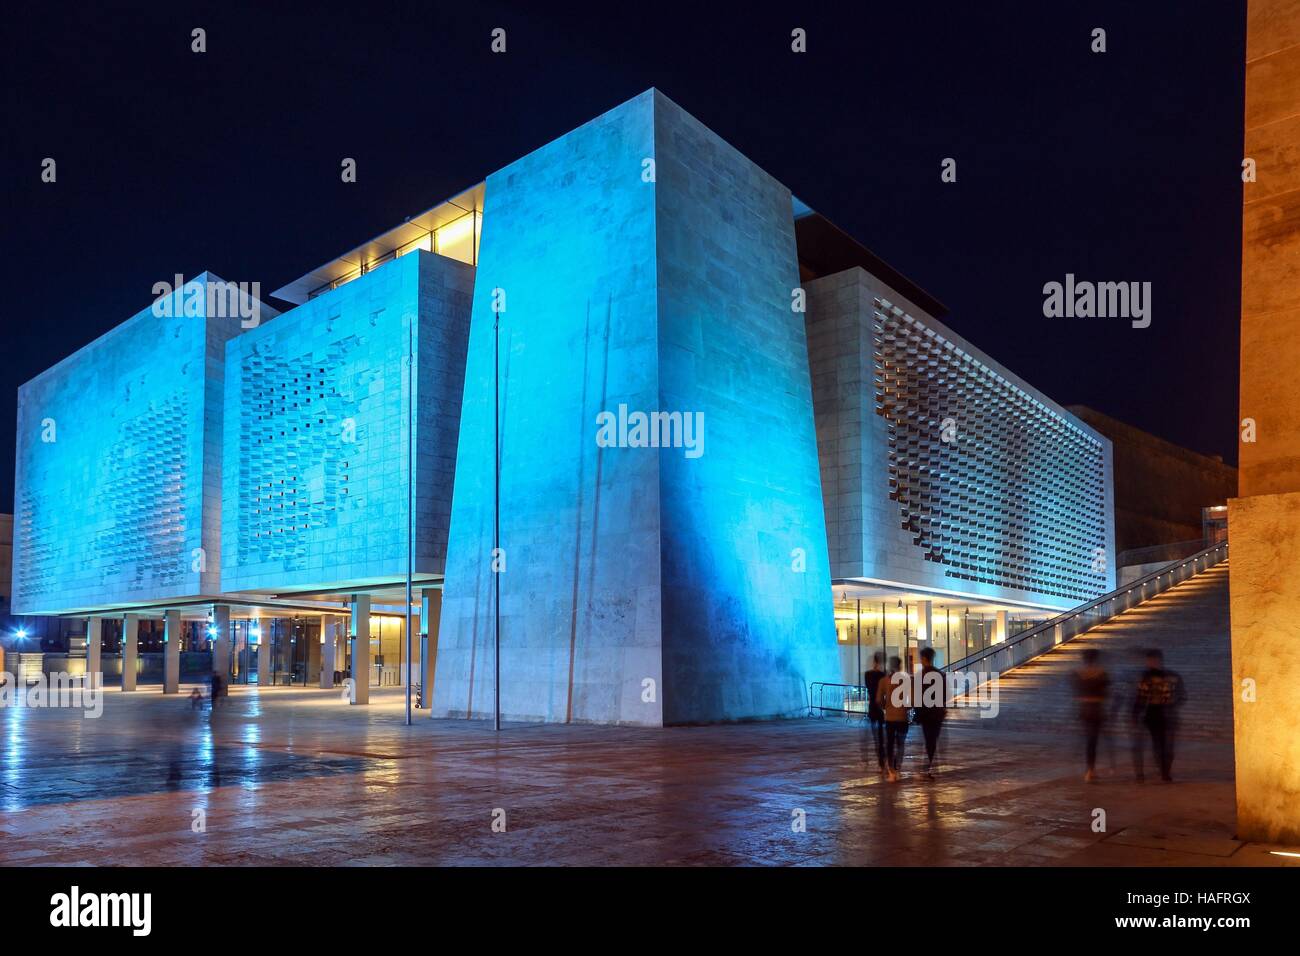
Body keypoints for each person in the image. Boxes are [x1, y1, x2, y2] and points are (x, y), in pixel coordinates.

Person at [1132, 648, 1186, 782]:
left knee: (1162, 744)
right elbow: (1140, 696)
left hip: (1159, 713)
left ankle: (1162, 771)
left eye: (1151, 660)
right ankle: (1163, 772)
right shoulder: (1171, 676)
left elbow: (1140, 697)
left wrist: (1135, 712)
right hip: (1157, 714)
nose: (1149, 663)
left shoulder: (1155, 677)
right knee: (1161, 744)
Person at [1074, 647, 1109, 782]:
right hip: (1097, 709)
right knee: (1093, 740)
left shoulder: (1078, 674)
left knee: (1090, 740)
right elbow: (1105, 692)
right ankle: (1091, 769)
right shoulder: (1102, 674)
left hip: (1084, 709)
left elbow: (1077, 691)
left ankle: (1090, 769)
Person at [876, 655, 911, 782]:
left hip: (890, 717)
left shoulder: (884, 681)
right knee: (900, 744)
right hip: (902, 717)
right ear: (900, 666)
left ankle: (891, 771)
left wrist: (886, 708)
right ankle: (897, 767)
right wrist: (905, 708)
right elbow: (912, 700)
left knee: (890, 744)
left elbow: (879, 700)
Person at [914, 647, 947, 779]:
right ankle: (930, 766)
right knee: (932, 739)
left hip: (926, 713)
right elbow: (944, 695)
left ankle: (929, 766)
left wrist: (917, 712)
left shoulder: (920, 676)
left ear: (924, 659)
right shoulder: (939, 674)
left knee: (929, 740)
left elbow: (917, 697)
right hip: (937, 713)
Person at [863, 652, 887, 774]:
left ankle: (881, 763)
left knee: (876, 738)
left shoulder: (868, 675)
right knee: (883, 737)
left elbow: (870, 689)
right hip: (881, 709)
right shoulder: (884, 676)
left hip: (872, 708)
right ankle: (884, 762)